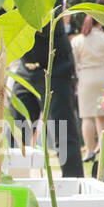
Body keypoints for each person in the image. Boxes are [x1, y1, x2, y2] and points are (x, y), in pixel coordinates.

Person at [11, 12, 83, 178]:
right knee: (17, 128)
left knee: (62, 129)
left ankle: (73, 184)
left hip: (55, 65)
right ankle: (15, 182)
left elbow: (44, 19)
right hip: (25, 67)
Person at [71, 15, 104, 159]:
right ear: (100, 23)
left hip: (86, 76)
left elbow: (74, 62)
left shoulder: (78, 40)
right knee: (103, 115)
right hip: (103, 75)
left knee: (87, 116)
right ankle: (103, 150)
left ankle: (89, 150)